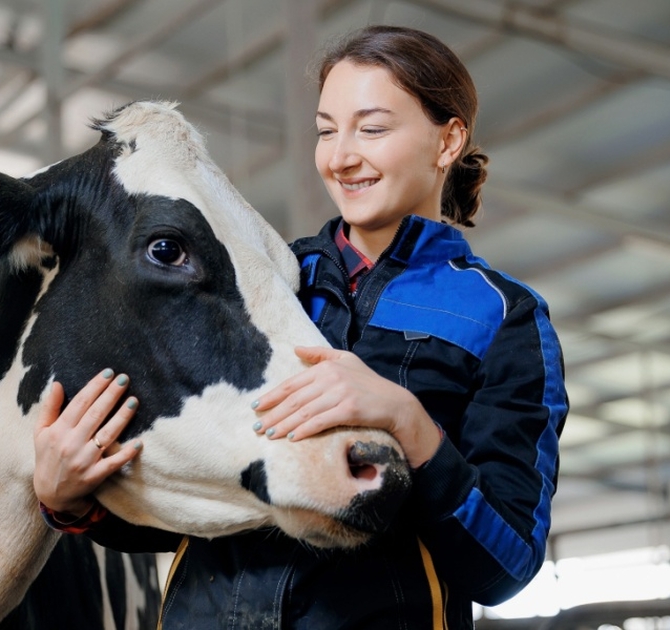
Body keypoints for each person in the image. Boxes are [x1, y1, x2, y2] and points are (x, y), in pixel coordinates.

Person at [32, 25, 567, 629]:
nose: (341, 156)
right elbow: (190, 506)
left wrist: (408, 423)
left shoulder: (502, 316)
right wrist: (72, 501)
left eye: (372, 128)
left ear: (448, 140)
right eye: (326, 130)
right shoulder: (255, 277)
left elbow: (506, 565)